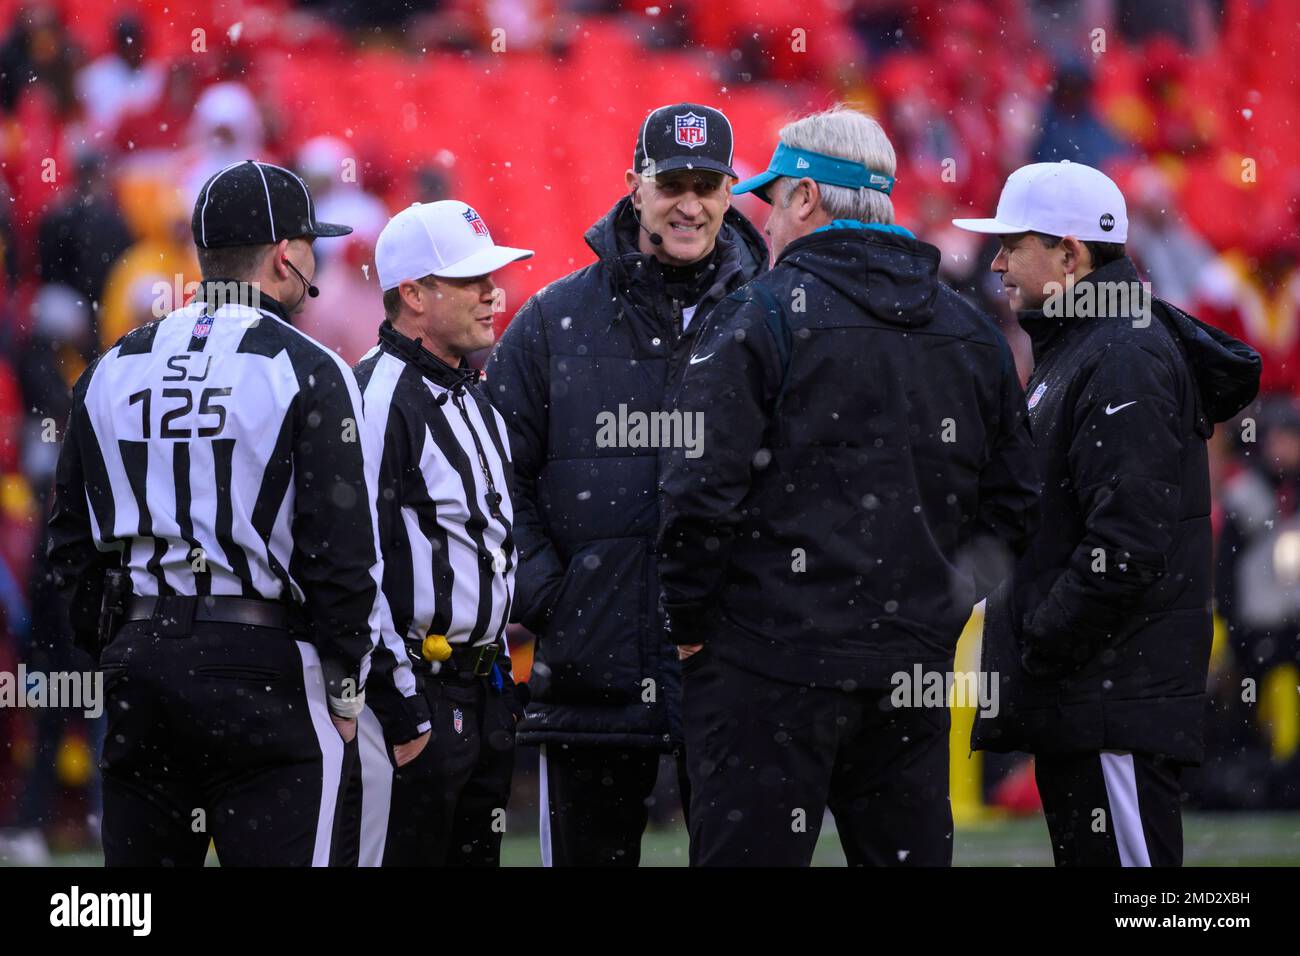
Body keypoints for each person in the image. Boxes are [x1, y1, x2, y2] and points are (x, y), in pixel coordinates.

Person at [658, 105, 1041, 867]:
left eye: (773, 201)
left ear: (806, 198)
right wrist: (938, 608)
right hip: (910, 675)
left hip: (766, 671)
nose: (762, 223)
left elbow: (697, 493)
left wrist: (693, 626)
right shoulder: (971, 334)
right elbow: (1015, 506)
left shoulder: (755, 316)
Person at [45, 160, 428, 866]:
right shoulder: (310, 368)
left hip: (141, 660)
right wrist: (352, 689)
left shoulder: (113, 364)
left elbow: (70, 548)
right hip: (260, 666)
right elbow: (341, 556)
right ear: (286, 256)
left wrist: (121, 646)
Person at [953, 160, 1262, 866]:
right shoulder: (1089, 345)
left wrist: (1041, 638)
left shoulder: (1122, 352)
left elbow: (1126, 542)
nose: (996, 261)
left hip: (1110, 701)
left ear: (1071, 253)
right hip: (1092, 698)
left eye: (1014, 242)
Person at [486, 102, 767, 866]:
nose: (690, 203)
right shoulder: (552, 318)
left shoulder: (773, 315)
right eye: (670, 181)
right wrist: (554, 592)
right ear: (634, 189)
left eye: (707, 185)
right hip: (591, 665)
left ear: (730, 192)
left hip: (737, 666)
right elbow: (492, 471)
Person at [345, 201, 531, 866]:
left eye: (492, 276)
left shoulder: (473, 395)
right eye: (469, 279)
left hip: (481, 694)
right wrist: (404, 712)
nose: (491, 292)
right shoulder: (374, 397)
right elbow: (352, 566)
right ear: (413, 295)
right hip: (416, 694)